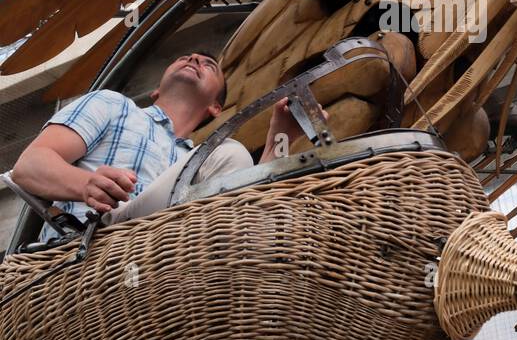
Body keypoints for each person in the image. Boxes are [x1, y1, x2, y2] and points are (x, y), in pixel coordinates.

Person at [10, 51, 302, 237]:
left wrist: (281, 140)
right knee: (230, 153)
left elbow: (251, 208)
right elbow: (29, 166)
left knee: (229, 162)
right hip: (99, 237)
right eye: (184, 57)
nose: (194, 60)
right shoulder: (113, 105)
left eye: (208, 64)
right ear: (156, 90)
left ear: (215, 107)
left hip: (169, 254)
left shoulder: (200, 162)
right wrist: (85, 184)